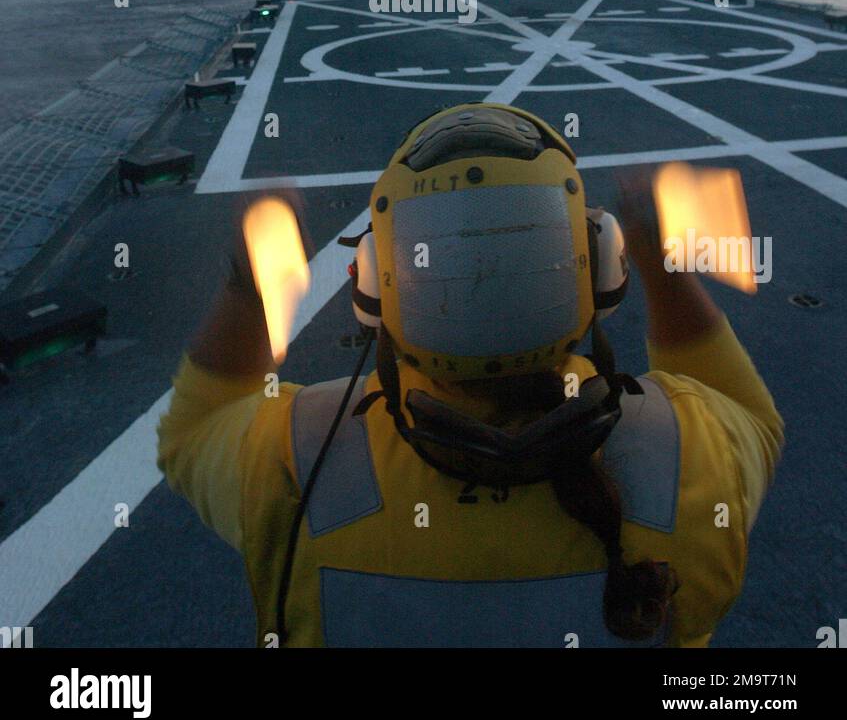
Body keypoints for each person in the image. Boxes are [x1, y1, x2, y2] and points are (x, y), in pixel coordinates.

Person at [157, 102, 783, 648]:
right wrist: (658, 255)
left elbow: (193, 431)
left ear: (376, 286)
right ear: (596, 269)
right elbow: (752, 417)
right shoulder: (696, 456)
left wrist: (247, 283)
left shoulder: (293, 458)